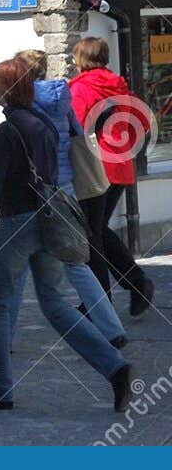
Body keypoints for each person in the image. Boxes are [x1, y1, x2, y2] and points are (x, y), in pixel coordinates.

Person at [0, 57, 135, 412]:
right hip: (49, 220)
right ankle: (115, 367)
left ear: (5, 90)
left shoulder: (7, 130)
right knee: (56, 304)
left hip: (15, 222)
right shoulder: (43, 122)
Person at [69, 37, 156, 318]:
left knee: (91, 233)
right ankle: (133, 284)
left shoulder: (81, 88)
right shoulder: (119, 85)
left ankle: (101, 301)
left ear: (81, 59)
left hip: (95, 168)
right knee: (97, 230)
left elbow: (74, 127)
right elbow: (143, 123)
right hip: (119, 165)